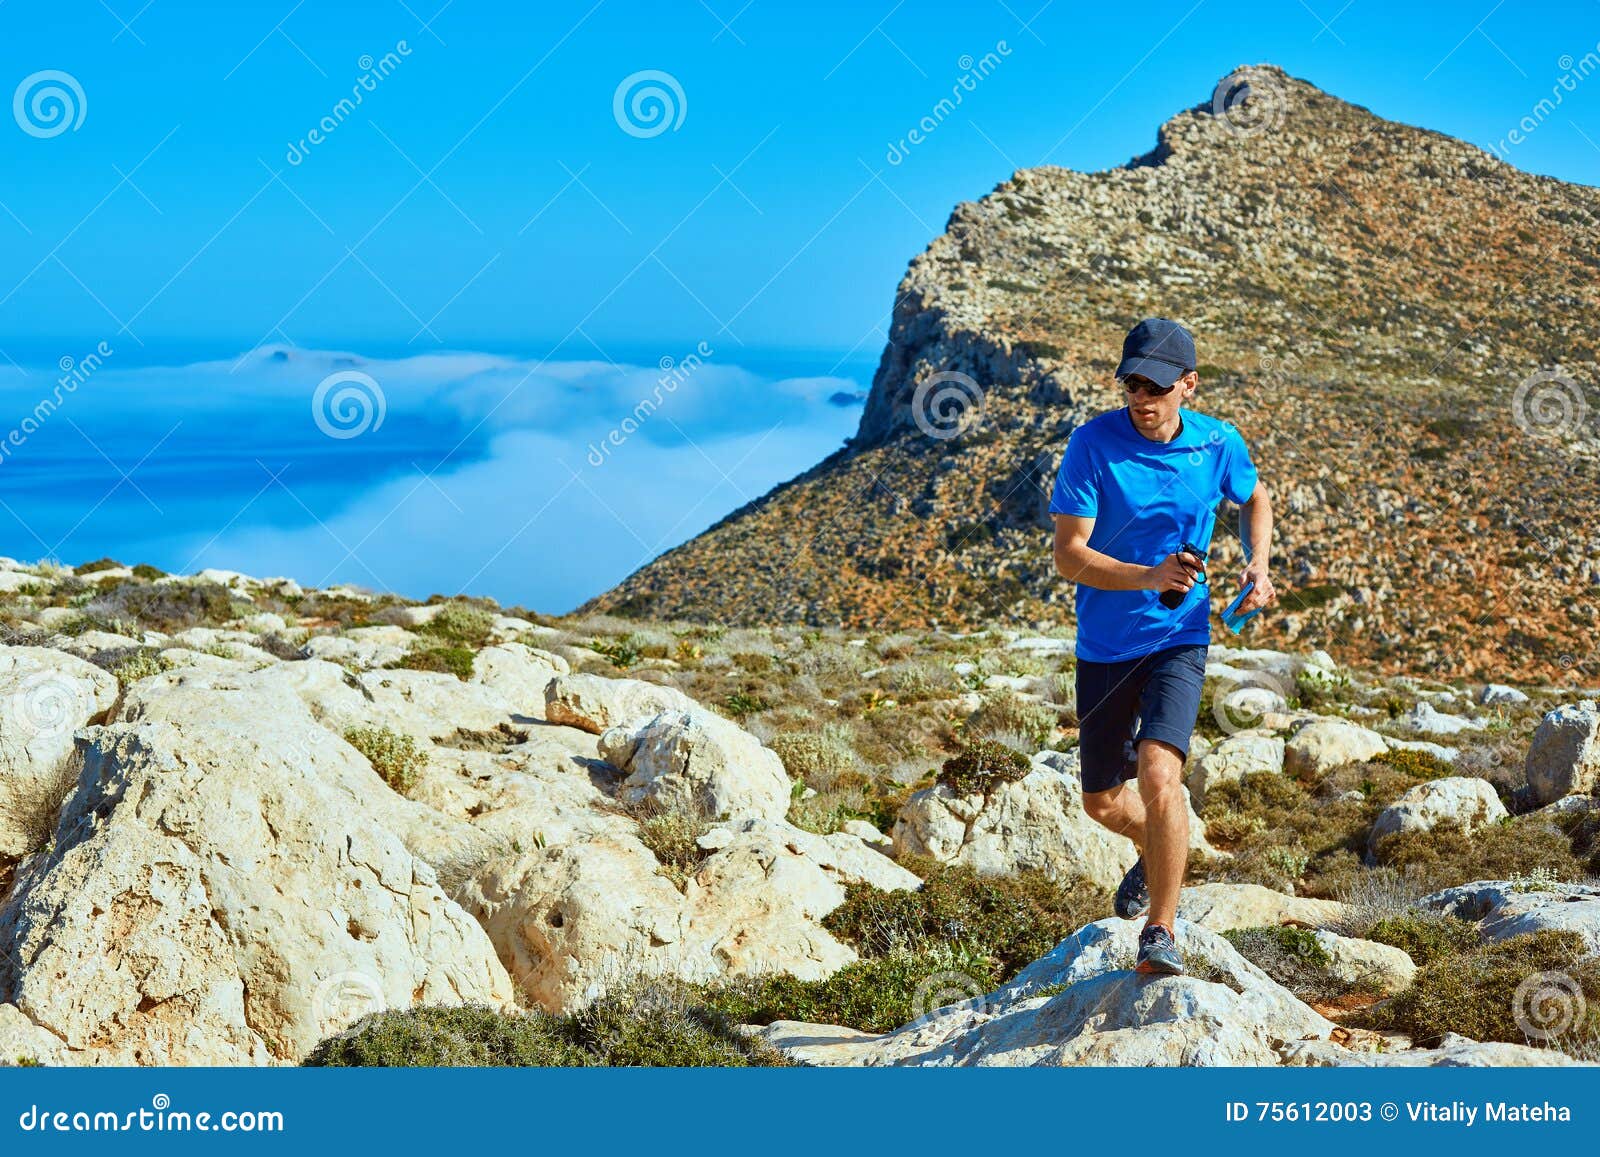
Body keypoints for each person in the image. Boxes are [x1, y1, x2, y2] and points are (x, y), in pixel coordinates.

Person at [1048, 318, 1276, 975]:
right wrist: (1149, 576)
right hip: (1105, 642)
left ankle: (1161, 932)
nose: (1141, 397)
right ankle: (1160, 847)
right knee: (1101, 801)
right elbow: (1069, 556)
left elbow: (1255, 497)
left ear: (1188, 384)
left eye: (1155, 384)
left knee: (1159, 771)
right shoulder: (1093, 445)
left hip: (1181, 634)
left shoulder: (1216, 443)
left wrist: (1258, 564)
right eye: (1131, 384)